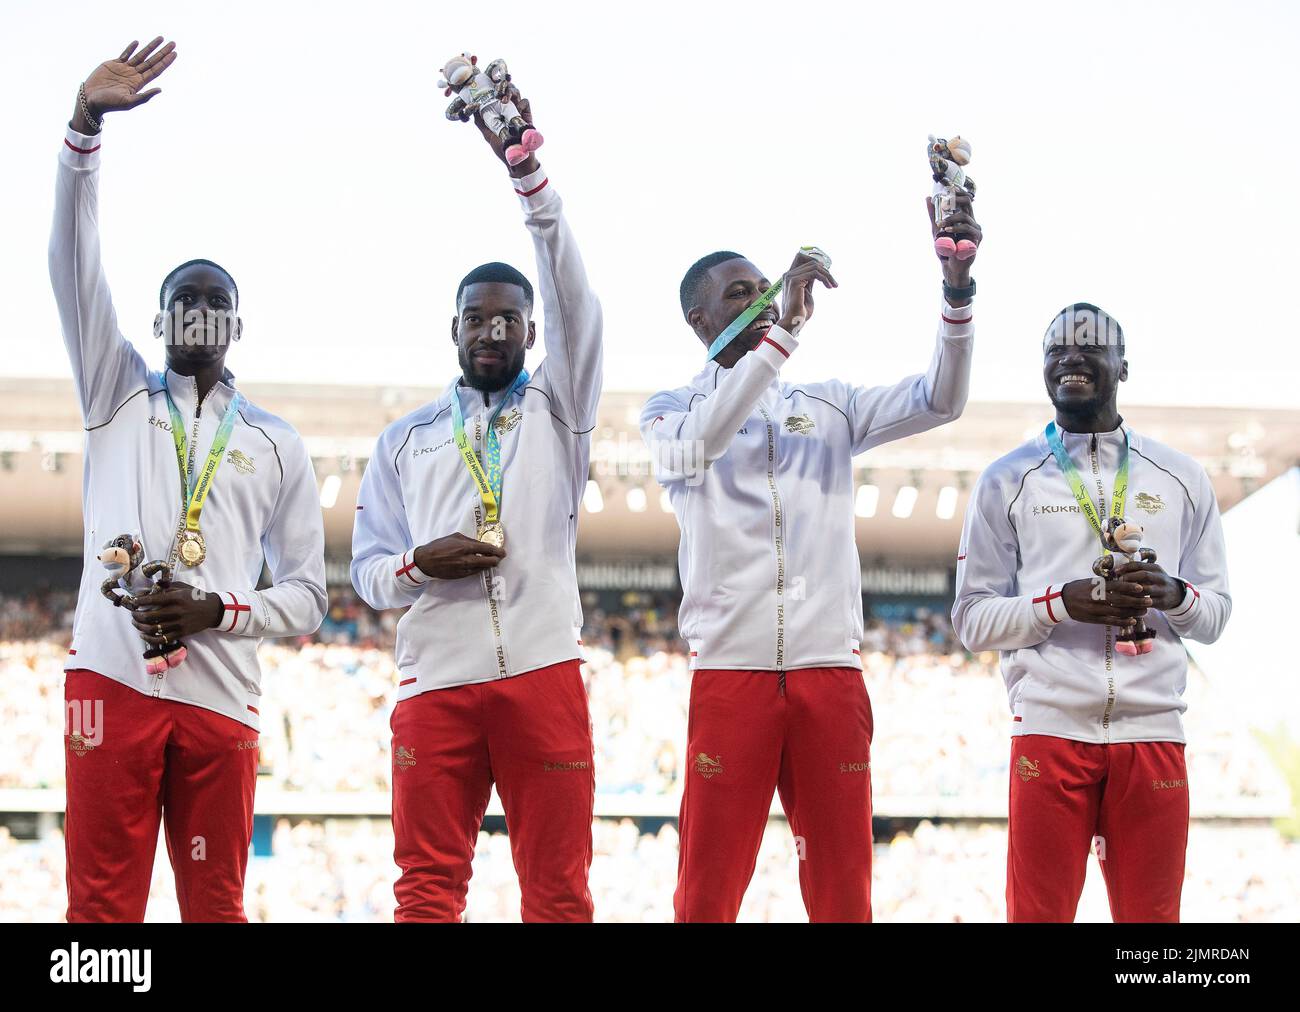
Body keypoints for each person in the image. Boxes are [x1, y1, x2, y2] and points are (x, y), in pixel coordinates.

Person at [641, 191, 982, 921]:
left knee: (843, 894)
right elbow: (702, 443)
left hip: (831, 674)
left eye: (766, 287)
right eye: (741, 293)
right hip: (731, 675)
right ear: (698, 320)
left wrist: (957, 291)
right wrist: (782, 338)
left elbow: (942, 398)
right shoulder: (668, 410)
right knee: (706, 893)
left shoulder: (829, 405)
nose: (764, 300)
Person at [50, 37, 327, 922]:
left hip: (220, 693)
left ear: (237, 324)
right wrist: (84, 132)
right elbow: (72, 271)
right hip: (112, 680)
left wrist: (219, 611)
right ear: (159, 318)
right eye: (183, 300)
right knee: (99, 908)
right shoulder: (116, 391)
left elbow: (311, 596)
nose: (198, 312)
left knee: (216, 905)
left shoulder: (276, 442)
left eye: (215, 302)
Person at [350, 85, 602, 922]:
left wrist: (530, 179)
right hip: (436, 685)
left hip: (542, 674)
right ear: (452, 329)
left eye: (508, 320)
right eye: (474, 319)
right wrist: (422, 562)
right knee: (425, 892)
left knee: (559, 893)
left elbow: (579, 303)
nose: (490, 332)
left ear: (532, 333)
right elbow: (368, 576)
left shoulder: (560, 409)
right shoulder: (405, 439)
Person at [951, 303, 1231, 922]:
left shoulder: (1182, 477)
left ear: (1123, 366)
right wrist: (1061, 604)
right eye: (1056, 348)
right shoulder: (1008, 478)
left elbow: (1215, 616)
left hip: (1153, 732)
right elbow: (971, 620)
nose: (1071, 357)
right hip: (1050, 732)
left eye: (1091, 346)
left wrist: (1172, 594)